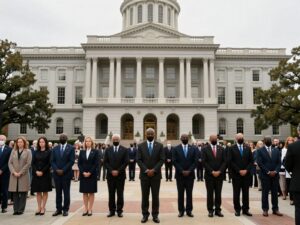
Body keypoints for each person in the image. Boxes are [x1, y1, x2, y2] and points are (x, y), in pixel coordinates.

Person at [137, 128, 164, 223]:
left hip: (156, 176)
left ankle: (155, 215)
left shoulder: (160, 146)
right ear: (145, 134)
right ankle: (145, 215)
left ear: (154, 134)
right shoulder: (140, 146)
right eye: (148, 134)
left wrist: (154, 170)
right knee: (145, 196)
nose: (150, 135)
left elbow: (162, 159)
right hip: (144, 176)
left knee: (155, 196)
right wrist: (146, 170)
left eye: (151, 133)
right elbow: (138, 160)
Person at [256, 136, 283, 217]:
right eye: (266, 140)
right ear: (264, 141)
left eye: (269, 140)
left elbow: (279, 162)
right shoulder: (260, 150)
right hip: (265, 175)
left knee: (275, 193)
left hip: (275, 175)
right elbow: (260, 163)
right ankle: (265, 209)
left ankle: (275, 209)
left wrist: (275, 171)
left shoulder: (276, 150)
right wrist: (268, 171)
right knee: (265, 193)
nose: (268, 141)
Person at [172, 134, 198, 217]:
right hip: (180, 175)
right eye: (183, 138)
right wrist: (182, 171)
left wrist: (189, 170)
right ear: (180, 139)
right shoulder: (176, 149)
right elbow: (174, 161)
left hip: (190, 175)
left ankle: (189, 210)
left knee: (189, 194)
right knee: (180, 194)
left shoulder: (194, 148)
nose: (185, 139)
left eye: (186, 138)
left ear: (188, 139)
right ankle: (181, 211)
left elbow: (195, 161)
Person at [228, 133, 253, 217]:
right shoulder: (231, 148)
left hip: (246, 175)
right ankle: (237, 209)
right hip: (236, 175)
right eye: (239, 137)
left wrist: (246, 170)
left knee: (246, 193)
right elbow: (230, 161)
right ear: (235, 139)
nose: (240, 138)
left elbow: (251, 161)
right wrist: (239, 170)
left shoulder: (248, 148)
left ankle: (246, 209)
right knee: (236, 193)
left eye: (241, 137)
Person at [202, 134, 227, 218]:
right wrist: (212, 171)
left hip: (219, 175)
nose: (214, 139)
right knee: (210, 194)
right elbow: (204, 162)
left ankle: (218, 210)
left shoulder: (222, 149)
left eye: (215, 138)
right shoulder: (205, 149)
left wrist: (220, 171)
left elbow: (224, 161)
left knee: (218, 193)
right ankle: (210, 210)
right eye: (212, 138)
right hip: (209, 175)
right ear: (209, 139)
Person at [104, 134, 129, 218]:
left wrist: (118, 171)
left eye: (117, 139)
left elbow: (126, 162)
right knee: (111, 194)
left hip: (120, 176)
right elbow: (105, 162)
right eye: (114, 139)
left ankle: (119, 211)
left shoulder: (125, 150)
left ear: (120, 140)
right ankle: (111, 211)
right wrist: (111, 171)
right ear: (112, 140)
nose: (115, 140)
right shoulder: (108, 150)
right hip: (110, 176)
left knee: (120, 194)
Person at [51, 134, 75, 217]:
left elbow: (71, 161)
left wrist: (63, 170)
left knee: (66, 192)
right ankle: (58, 209)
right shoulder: (55, 148)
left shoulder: (71, 148)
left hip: (66, 174)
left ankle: (65, 209)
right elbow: (52, 161)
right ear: (59, 139)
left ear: (67, 139)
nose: (62, 138)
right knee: (58, 192)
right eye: (61, 137)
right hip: (56, 174)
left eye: (64, 137)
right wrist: (56, 169)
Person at [8, 136, 32, 215]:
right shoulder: (13, 151)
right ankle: (15, 209)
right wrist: (13, 172)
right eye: (18, 142)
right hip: (14, 175)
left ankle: (21, 210)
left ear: (24, 143)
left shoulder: (28, 151)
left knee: (23, 193)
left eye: (21, 142)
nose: (19, 143)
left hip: (23, 175)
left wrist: (21, 172)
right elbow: (10, 163)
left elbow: (28, 163)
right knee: (15, 192)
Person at [31, 137, 52, 216]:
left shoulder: (49, 152)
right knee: (38, 191)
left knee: (45, 191)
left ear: (45, 143)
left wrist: (42, 171)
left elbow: (49, 163)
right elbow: (33, 163)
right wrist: (36, 171)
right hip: (36, 174)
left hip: (45, 174)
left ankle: (43, 207)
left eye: (43, 142)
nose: (41, 143)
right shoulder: (35, 152)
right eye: (40, 142)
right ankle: (39, 207)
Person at [78, 137, 99, 216]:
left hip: (92, 175)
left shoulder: (95, 152)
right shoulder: (82, 152)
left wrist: (90, 172)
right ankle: (85, 208)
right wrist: (83, 172)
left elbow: (96, 163)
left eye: (89, 141)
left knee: (91, 192)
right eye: (86, 141)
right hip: (83, 175)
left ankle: (90, 209)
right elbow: (79, 163)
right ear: (84, 143)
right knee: (84, 192)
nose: (87, 143)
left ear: (92, 142)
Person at [285, 125, 300, 225]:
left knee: (299, 210)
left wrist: (293, 171)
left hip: (298, 183)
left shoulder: (293, 146)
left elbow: (287, 165)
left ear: (298, 132)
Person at [0, 135, 12, 213]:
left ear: (5, 140)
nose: (1, 140)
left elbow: (9, 162)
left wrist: (2, 170)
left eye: (2, 139)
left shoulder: (9, 149)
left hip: (5, 173)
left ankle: (4, 207)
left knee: (4, 190)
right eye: (0, 139)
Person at [279, 137, 294, 201]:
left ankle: (293, 197)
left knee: (292, 183)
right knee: (285, 183)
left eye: (291, 140)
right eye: (289, 140)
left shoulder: (295, 147)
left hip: (293, 168)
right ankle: (287, 196)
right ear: (287, 141)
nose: (290, 141)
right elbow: (282, 159)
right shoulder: (284, 149)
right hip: (286, 168)